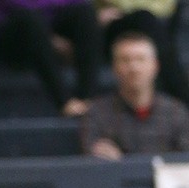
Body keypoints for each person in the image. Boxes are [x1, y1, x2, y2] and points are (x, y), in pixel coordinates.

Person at [0, 0, 103, 117]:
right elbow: (19, 8)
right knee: (31, 20)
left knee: (85, 13)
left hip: (44, 27)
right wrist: (51, 40)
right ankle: (64, 102)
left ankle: (86, 99)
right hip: (6, 36)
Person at [81, 30, 189, 159]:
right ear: (114, 67)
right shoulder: (96, 113)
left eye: (140, 59)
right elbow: (90, 160)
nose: (134, 68)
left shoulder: (176, 112)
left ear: (155, 66)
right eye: (125, 60)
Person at [95, 0, 189, 105]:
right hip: (113, 22)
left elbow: (167, 7)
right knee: (145, 18)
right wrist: (97, 13)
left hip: (164, 20)